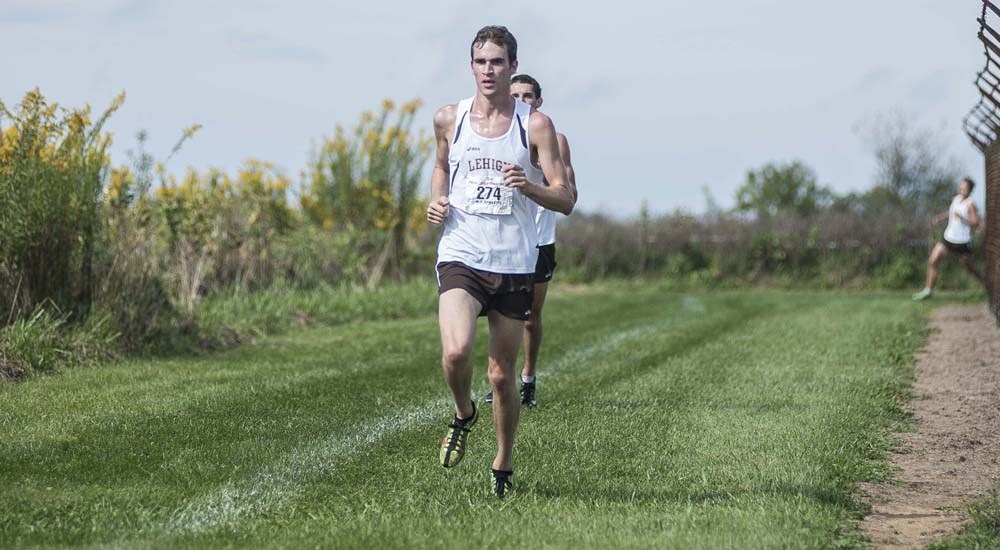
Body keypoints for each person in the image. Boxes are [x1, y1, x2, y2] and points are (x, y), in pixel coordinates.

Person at [426, 25, 574, 498]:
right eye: (480, 61)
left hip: (513, 260)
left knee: (500, 374)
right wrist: (437, 199)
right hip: (461, 254)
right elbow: (440, 164)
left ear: (512, 66)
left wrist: (528, 185)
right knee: (454, 352)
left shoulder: (534, 125)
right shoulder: (450, 118)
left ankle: (503, 461)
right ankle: (464, 413)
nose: (488, 70)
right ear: (471, 67)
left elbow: (566, 197)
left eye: (497, 62)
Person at [485, 74, 577, 408]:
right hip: (506, 237)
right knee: (497, 312)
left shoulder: (555, 139)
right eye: (516, 95)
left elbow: (570, 196)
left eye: (528, 96)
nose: (522, 100)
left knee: (528, 317)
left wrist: (536, 184)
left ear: (538, 101)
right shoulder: (496, 136)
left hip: (540, 240)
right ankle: (499, 378)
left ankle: (528, 379)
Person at [912, 177, 986, 300]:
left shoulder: (970, 203)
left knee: (968, 267)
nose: (962, 189)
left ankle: (985, 283)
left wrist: (962, 218)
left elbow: (976, 222)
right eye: (961, 186)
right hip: (949, 238)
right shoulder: (956, 199)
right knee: (933, 260)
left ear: (969, 190)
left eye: (965, 188)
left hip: (962, 241)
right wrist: (940, 217)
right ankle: (928, 290)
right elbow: (951, 211)